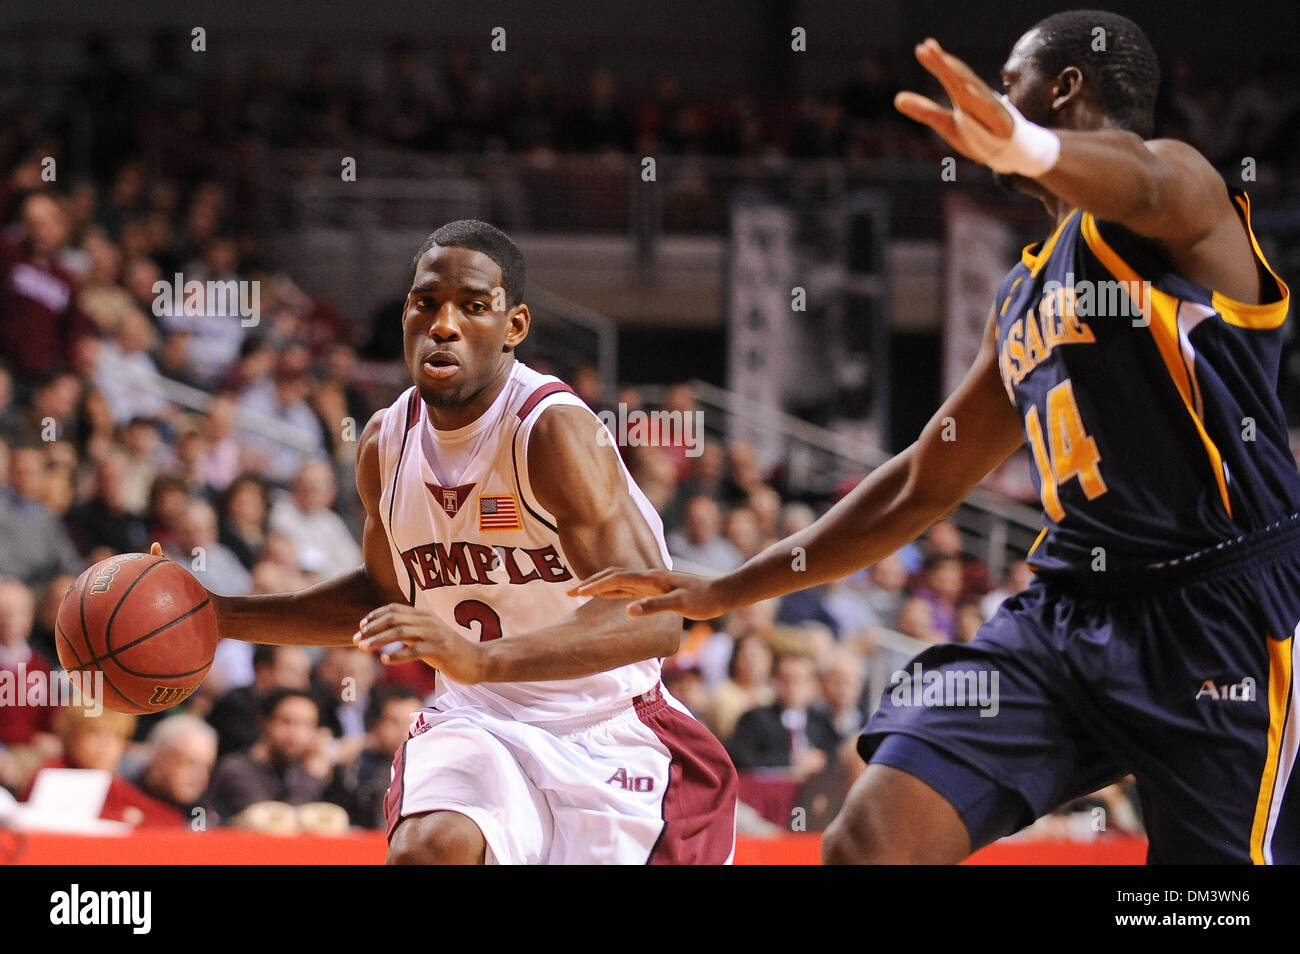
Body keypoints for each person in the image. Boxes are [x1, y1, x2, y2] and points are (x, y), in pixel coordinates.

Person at [575, 11, 1299, 865]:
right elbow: (923, 482)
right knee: (869, 840)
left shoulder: (1179, 186)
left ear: (1066, 87)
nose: (996, 98)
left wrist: (1027, 147)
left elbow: (1141, 181)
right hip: (1067, 618)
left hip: (1219, 616)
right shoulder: (1022, 295)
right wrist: (726, 590)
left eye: (1011, 80)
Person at [155, 220, 736, 864]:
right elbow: (383, 597)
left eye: (473, 306)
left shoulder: (553, 432)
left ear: (514, 326)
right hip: (476, 721)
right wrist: (217, 615)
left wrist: (481, 658)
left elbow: (653, 620)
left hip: (608, 729)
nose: (444, 323)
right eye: (425, 303)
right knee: (430, 850)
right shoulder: (385, 442)